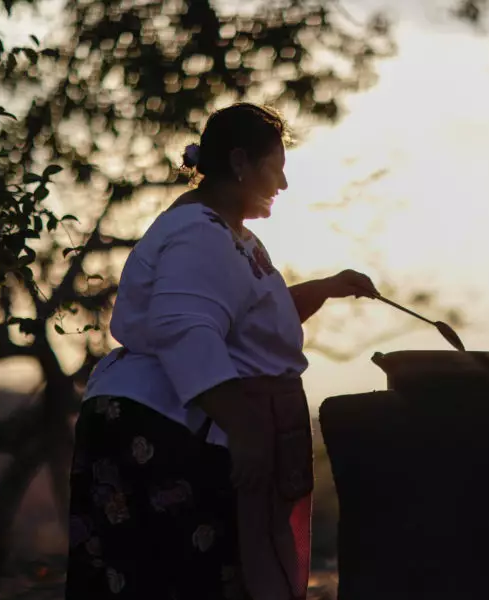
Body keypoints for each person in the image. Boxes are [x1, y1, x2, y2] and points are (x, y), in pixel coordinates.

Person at [65, 102, 379, 600]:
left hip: (178, 423)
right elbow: (183, 327)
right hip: (160, 429)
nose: (283, 183)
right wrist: (247, 428)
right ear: (239, 162)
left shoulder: (230, 235)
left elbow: (253, 324)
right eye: (275, 167)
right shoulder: (197, 233)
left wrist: (326, 287)